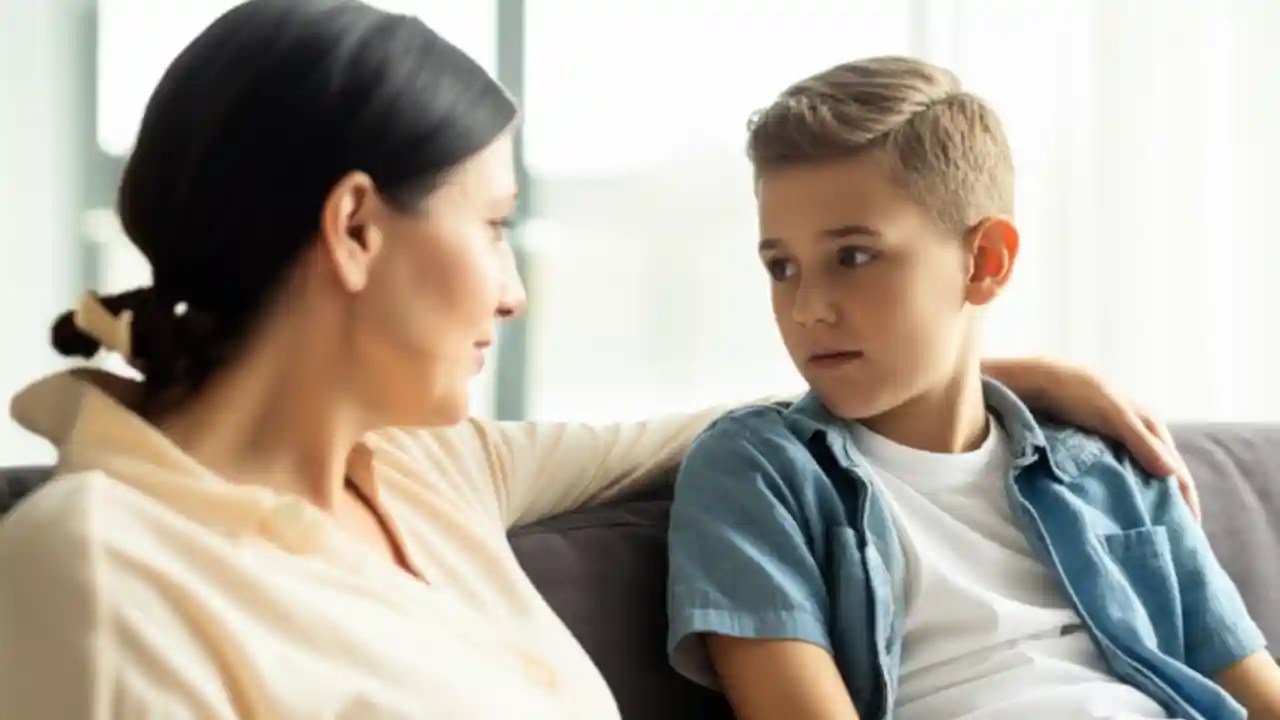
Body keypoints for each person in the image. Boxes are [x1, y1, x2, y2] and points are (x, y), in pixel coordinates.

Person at [0, 3, 1197, 718]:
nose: (514, 291)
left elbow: (740, 421)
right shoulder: (101, 573)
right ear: (355, 229)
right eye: (490, 226)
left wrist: (995, 375)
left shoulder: (430, 472)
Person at [666, 56, 1280, 720]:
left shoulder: (1108, 466)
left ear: (986, 262)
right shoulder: (758, 474)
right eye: (781, 266)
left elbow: (1256, 693)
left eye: (853, 256)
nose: (808, 306)